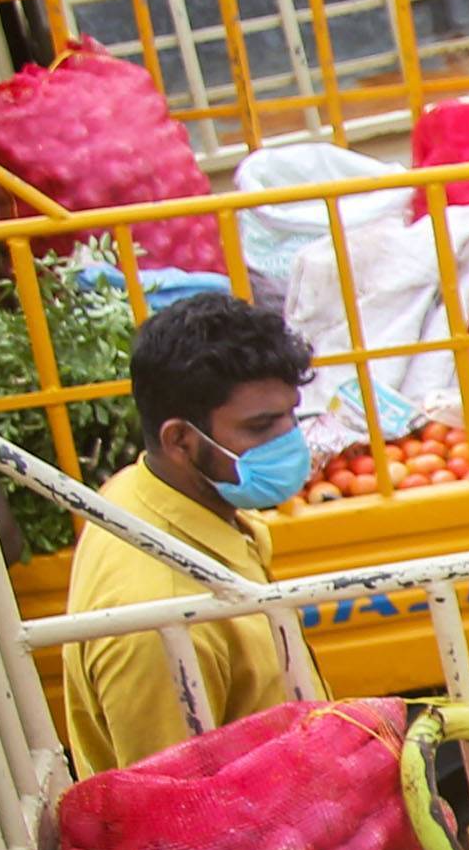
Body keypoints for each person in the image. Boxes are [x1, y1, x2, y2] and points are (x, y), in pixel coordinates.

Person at [61, 294, 318, 777]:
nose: (290, 440)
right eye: (262, 427)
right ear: (180, 440)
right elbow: (174, 813)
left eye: (292, 416)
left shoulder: (145, 492)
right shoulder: (163, 622)